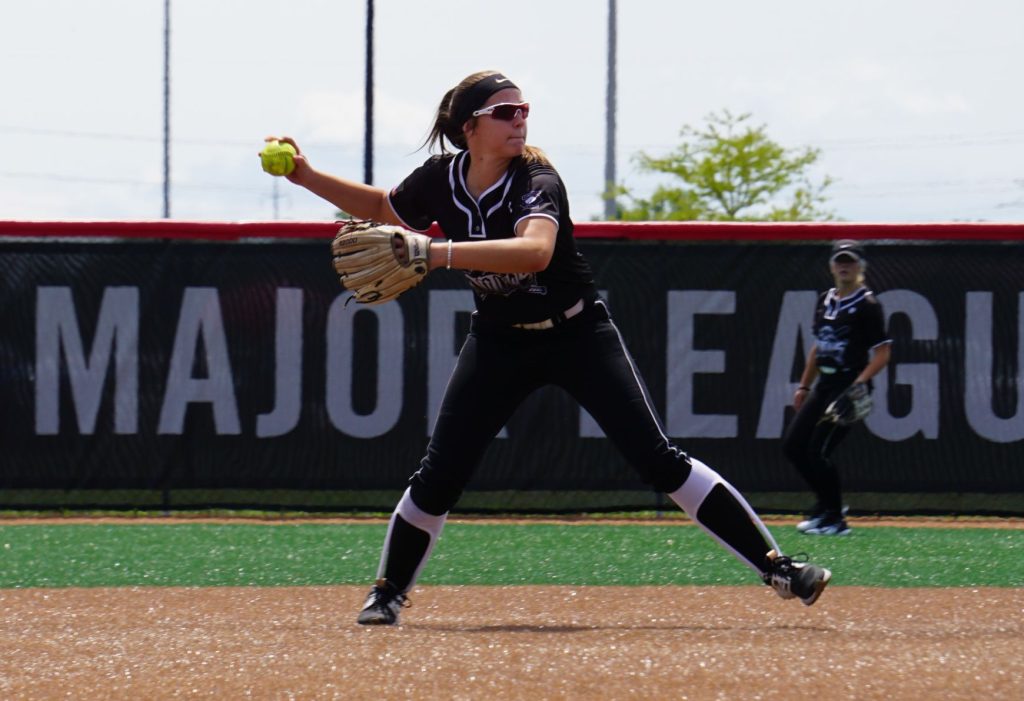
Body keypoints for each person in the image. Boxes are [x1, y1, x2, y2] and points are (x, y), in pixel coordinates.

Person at [265, 70, 832, 625]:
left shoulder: (538, 178)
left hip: (577, 335)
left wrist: (438, 253)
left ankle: (779, 568)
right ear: (470, 127)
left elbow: (535, 251)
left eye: (524, 111)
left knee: (658, 458)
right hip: (498, 340)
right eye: (505, 113)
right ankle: (389, 591)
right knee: (440, 473)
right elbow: (386, 209)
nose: (520, 121)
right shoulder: (442, 177)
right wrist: (306, 175)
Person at [782, 239, 892, 536]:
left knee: (818, 451)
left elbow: (882, 354)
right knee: (794, 447)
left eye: (851, 261)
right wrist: (803, 386)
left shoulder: (868, 305)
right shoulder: (825, 299)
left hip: (849, 385)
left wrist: (857, 387)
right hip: (825, 383)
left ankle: (835, 519)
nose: (845, 266)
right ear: (831, 265)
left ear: (861, 266)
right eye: (840, 261)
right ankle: (826, 506)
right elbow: (819, 347)